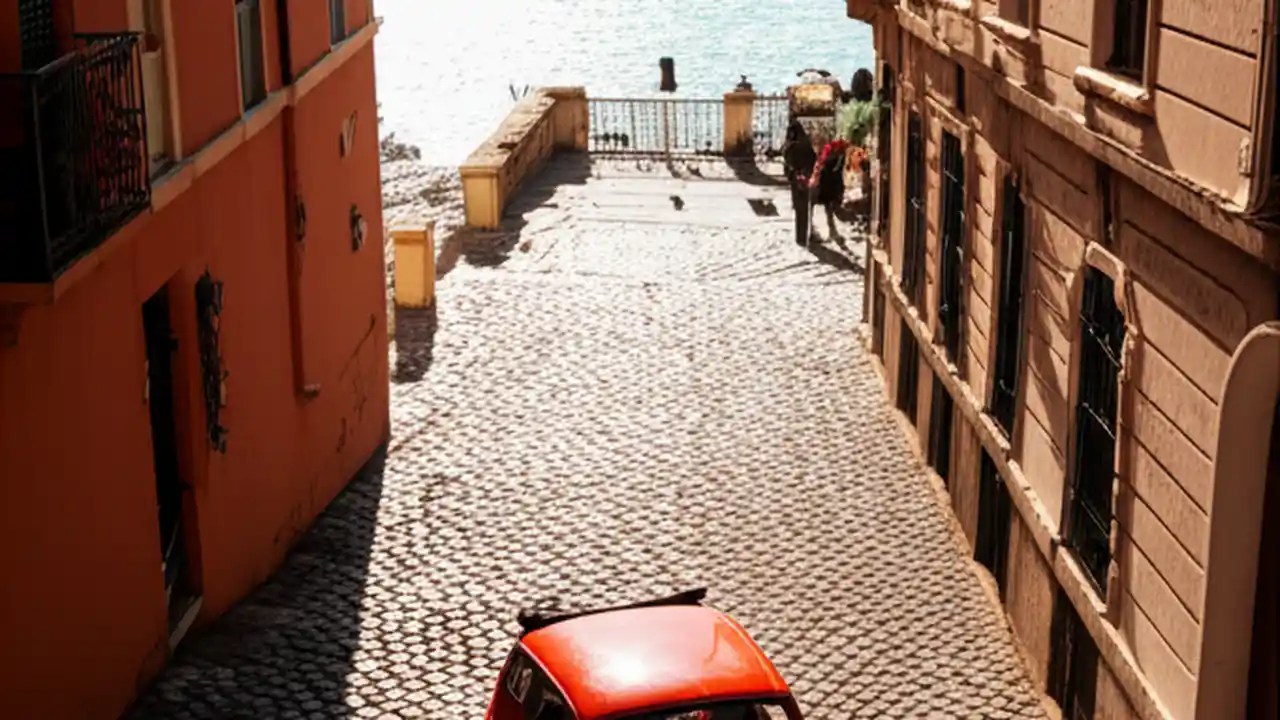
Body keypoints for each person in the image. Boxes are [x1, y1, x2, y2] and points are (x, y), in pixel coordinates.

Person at [783, 120, 817, 246]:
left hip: (796, 181)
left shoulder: (790, 147)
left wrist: (792, 173)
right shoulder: (805, 144)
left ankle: (800, 237)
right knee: (804, 208)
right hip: (805, 179)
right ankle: (804, 236)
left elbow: (787, 165)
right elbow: (813, 160)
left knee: (799, 209)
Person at [810, 137, 850, 239]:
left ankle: (814, 230)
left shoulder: (827, 155)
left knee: (824, 209)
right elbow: (836, 172)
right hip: (829, 186)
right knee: (829, 210)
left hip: (822, 185)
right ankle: (831, 232)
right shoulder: (839, 157)